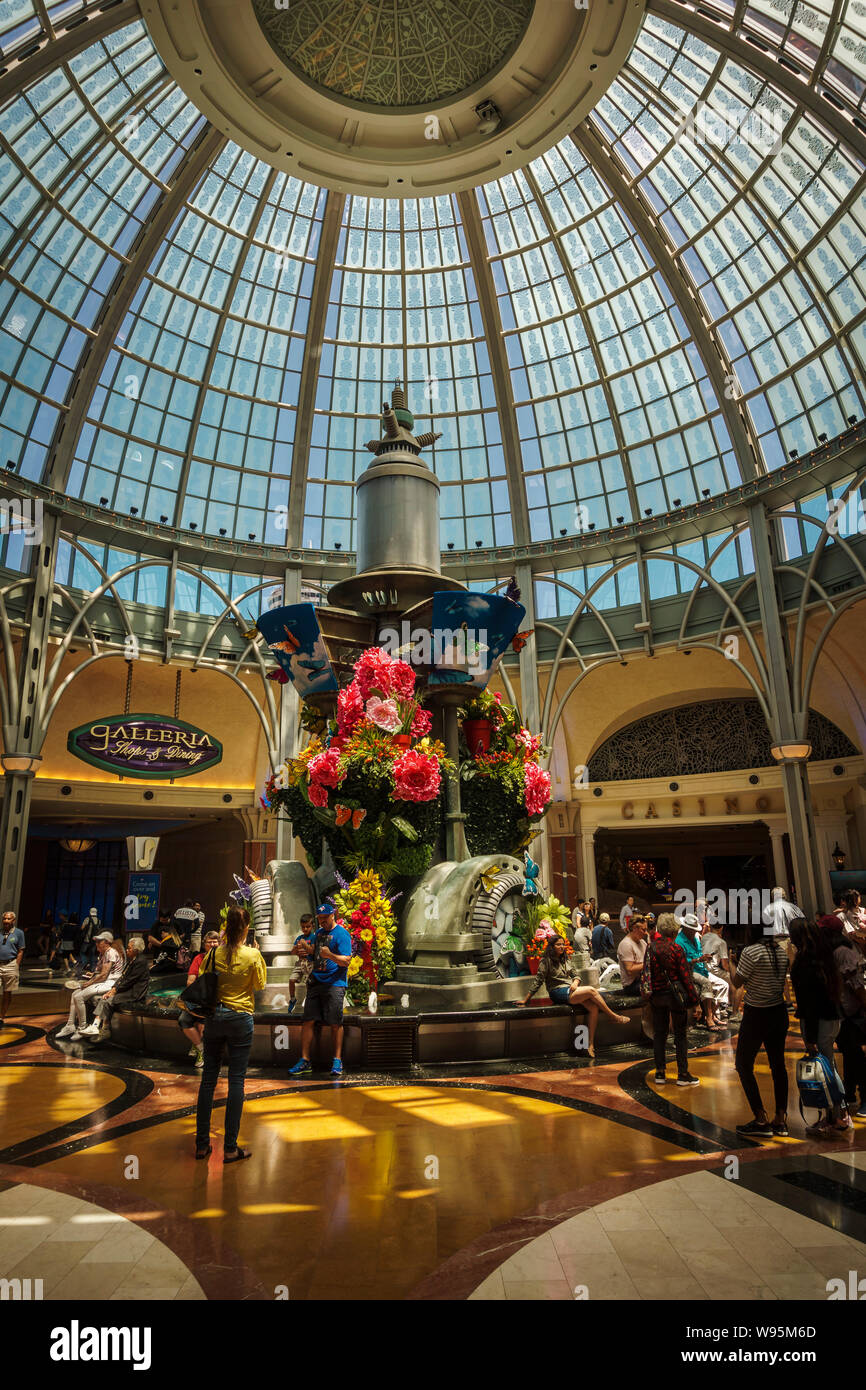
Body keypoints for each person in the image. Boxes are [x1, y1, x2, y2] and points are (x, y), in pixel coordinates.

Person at [194, 906, 265, 1163]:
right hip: (240, 1019)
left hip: (215, 1018)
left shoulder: (212, 954)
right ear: (246, 928)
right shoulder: (253, 955)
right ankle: (230, 1148)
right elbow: (259, 985)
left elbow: (203, 982)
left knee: (208, 1080)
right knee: (236, 1080)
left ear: (226, 926)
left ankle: (202, 1145)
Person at [520, 933, 630, 1058]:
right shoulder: (545, 962)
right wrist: (525, 1000)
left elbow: (575, 975)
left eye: (562, 944)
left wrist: (576, 982)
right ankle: (613, 1016)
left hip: (570, 989)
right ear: (552, 946)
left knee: (593, 1008)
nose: (562, 947)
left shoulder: (566, 959)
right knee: (592, 991)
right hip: (557, 992)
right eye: (558, 945)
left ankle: (590, 1045)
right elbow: (538, 982)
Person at [789, 919, 851, 1135]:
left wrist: (811, 1036)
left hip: (819, 1020)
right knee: (829, 1066)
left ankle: (836, 1118)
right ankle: (840, 1114)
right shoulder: (823, 955)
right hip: (832, 1016)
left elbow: (810, 1001)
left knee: (825, 1071)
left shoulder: (806, 962)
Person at [732, 922, 790, 1137]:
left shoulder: (750, 951)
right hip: (779, 1012)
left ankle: (760, 1118)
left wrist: (731, 963)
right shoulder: (780, 952)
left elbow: (737, 982)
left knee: (743, 1064)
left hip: (757, 1013)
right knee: (778, 1066)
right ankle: (781, 1118)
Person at [287, 903, 353, 1079]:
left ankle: (337, 1059)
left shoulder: (342, 934)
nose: (322, 922)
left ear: (333, 915)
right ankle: (305, 1059)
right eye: (320, 920)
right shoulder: (317, 934)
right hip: (316, 981)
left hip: (335, 983)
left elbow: (346, 961)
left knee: (335, 1022)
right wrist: (302, 951)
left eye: (325, 919)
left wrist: (330, 955)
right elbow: (314, 956)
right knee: (308, 1020)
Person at [643, 913, 701, 1085]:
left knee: (659, 1034)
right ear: (675, 930)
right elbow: (685, 977)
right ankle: (683, 1074)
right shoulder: (676, 949)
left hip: (657, 996)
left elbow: (647, 973)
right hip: (675, 996)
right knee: (680, 1035)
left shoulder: (650, 947)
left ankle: (660, 1073)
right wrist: (694, 1000)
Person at [56, 932, 124, 1041]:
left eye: (99, 941)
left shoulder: (110, 952)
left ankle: (83, 1027)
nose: (96, 943)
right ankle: (70, 1025)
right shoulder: (103, 954)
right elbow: (100, 972)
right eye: (96, 941)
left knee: (79, 997)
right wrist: (92, 975)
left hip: (110, 984)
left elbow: (103, 975)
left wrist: (89, 983)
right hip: (104, 982)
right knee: (74, 994)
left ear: (107, 942)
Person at [82, 936, 151, 1041]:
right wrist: (113, 988)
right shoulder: (132, 959)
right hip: (127, 989)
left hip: (135, 993)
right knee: (104, 998)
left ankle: (100, 1028)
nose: (127, 950)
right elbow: (122, 977)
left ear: (136, 951)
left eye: (129, 948)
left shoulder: (141, 961)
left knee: (107, 1000)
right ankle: (99, 1027)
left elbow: (129, 981)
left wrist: (114, 991)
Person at [676, 913, 728, 1031]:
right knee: (706, 983)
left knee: (723, 985)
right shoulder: (679, 940)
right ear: (686, 928)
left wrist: (704, 957)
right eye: (693, 929)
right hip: (690, 971)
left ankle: (711, 1014)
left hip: (701, 968)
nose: (695, 932)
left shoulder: (695, 938)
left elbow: (700, 952)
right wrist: (699, 959)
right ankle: (709, 1018)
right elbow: (682, 962)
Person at [177, 930, 220, 1067]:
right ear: (204, 944)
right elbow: (190, 981)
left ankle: (200, 1050)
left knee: (203, 1024)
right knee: (183, 1020)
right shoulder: (199, 958)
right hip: (199, 998)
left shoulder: (223, 958)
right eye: (210, 942)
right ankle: (200, 1047)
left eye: (215, 941)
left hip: (214, 1001)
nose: (213, 944)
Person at [701, 917, 739, 1020]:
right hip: (713, 970)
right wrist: (729, 971)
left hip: (703, 967)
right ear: (721, 928)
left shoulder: (704, 937)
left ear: (711, 926)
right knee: (732, 981)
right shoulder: (721, 942)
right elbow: (725, 965)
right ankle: (728, 1007)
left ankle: (724, 1005)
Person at [0, 911, 26, 1025]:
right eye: (4, 918)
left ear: (13, 920)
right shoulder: (0, 932)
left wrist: (16, 965)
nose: (6, 921)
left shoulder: (19, 933)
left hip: (11, 964)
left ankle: (1, 1017)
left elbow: (21, 950)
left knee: (7, 993)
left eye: (8, 919)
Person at [287, 913, 315, 1013]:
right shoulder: (299, 938)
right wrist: (296, 949)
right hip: (300, 962)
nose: (305, 929)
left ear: (312, 926)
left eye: (308, 926)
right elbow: (292, 952)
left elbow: (312, 951)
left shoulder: (313, 937)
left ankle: (309, 1001)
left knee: (309, 983)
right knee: (291, 980)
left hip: (310, 963)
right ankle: (292, 999)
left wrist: (304, 945)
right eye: (303, 927)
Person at [617, 915, 647, 997]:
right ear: (634, 928)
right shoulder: (626, 944)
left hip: (643, 980)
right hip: (632, 986)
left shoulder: (643, 942)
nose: (645, 933)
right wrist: (648, 963)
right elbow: (630, 970)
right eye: (643, 930)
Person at [77, 907, 101, 974]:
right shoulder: (99, 920)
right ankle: (91, 968)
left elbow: (82, 928)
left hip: (87, 940)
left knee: (82, 952)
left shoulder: (87, 919)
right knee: (92, 954)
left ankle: (85, 963)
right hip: (94, 940)